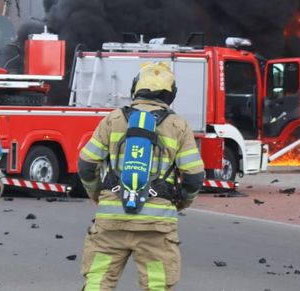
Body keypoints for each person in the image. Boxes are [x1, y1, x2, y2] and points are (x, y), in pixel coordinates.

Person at [77, 61, 206, 290]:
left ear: (135, 88)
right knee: (156, 285)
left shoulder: (113, 120)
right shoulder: (178, 126)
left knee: (98, 281)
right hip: (156, 225)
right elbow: (194, 176)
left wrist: (98, 194)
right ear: (171, 94)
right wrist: (180, 203)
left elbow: (86, 164)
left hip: (111, 221)